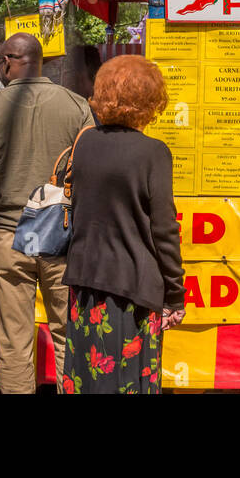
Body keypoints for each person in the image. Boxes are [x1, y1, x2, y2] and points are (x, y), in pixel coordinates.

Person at [0, 32, 93, 394]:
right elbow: (91, 173)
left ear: (7, 61)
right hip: (63, 236)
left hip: (8, 237)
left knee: (13, 342)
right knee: (68, 334)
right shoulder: (77, 106)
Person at [60, 55, 186, 394]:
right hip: (131, 287)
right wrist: (175, 295)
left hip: (85, 284)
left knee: (87, 376)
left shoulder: (85, 142)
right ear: (150, 102)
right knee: (127, 379)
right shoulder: (153, 153)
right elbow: (164, 231)